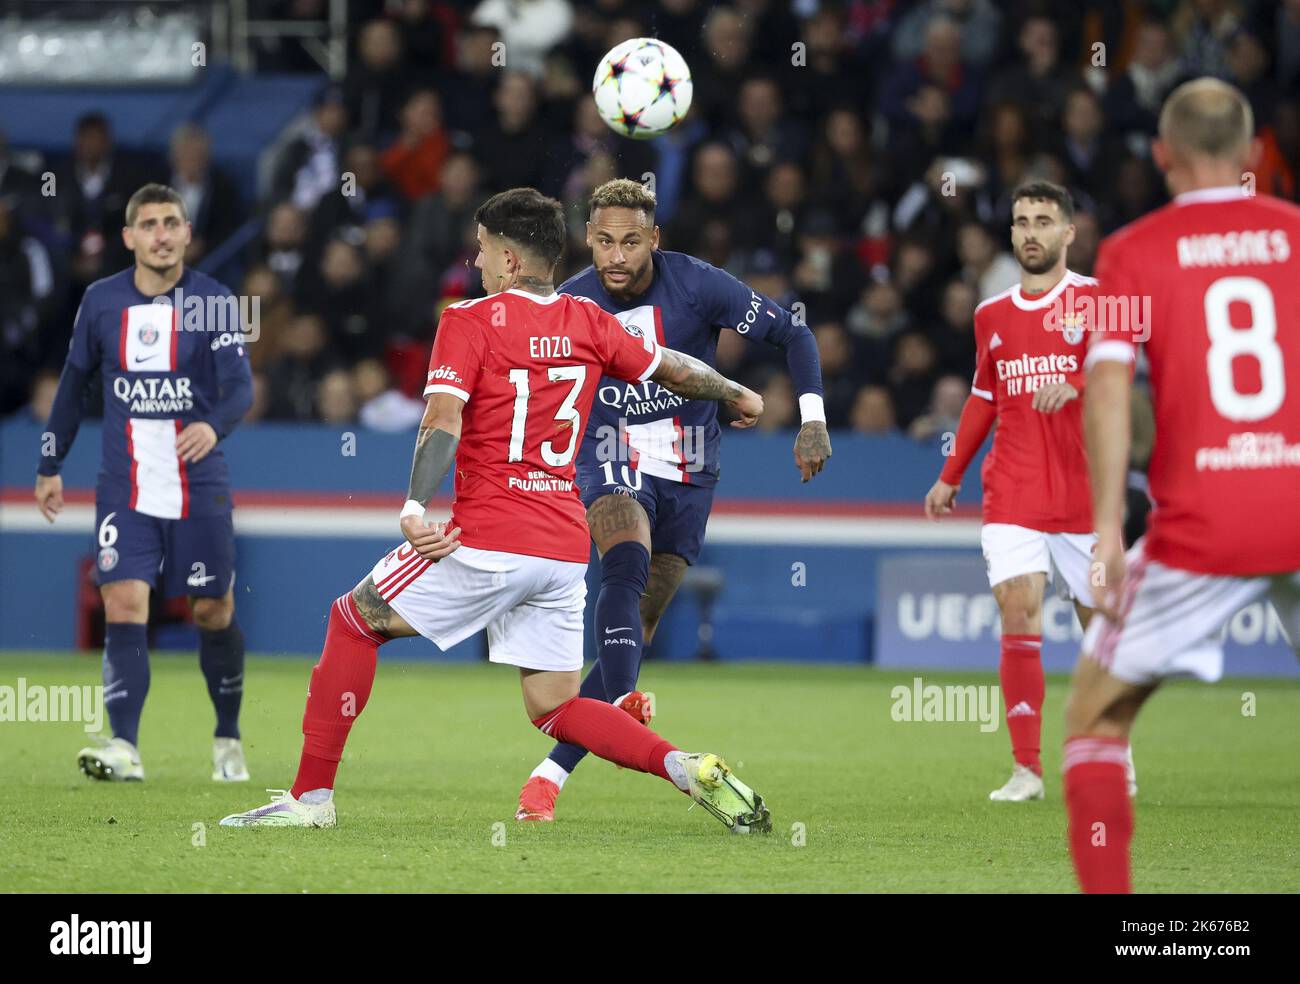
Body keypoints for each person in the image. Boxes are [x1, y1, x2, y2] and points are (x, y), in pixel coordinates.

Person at [220, 188, 772, 833]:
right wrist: (735, 390)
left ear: (509, 260)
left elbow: (443, 418)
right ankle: (682, 766)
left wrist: (414, 505)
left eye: (482, 250)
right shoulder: (592, 322)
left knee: (352, 621)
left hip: (484, 535)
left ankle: (309, 801)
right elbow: (672, 368)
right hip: (563, 548)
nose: (475, 262)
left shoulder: (469, 320)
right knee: (555, 706)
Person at [516, 177, 830, 822]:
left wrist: (813, 418)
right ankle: (604, 730)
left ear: (654, 240)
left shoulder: (697, 284)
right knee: (625, 564)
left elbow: (794, 335)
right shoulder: (571, 302)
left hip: (689, 462)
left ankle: (549, 771)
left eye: (631, 242)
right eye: (603, 241)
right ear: (588, 241)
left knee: (640, 625)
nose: (616, 256)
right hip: (610, 451)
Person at [1065, 78, 1300, 893]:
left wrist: (1105, 529)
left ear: (1161, 154)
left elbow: (1105, 391)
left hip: (1211, 521)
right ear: (1252, 153)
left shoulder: (1132, 252)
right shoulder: (1297, 236)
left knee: (1095, 715)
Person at [35, 183, 254, 783]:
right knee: (124, 601)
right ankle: (124, 746)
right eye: (149, 224)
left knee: (213, 609)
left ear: (187, 233)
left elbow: (241, 387)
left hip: (198, 487)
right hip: (125, 488)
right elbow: (75, 383)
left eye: (172, 222)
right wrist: (49, 464)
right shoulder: (101, 302)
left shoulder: (212, 302)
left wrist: (213, 426)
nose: (161, 233)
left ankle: (228, 736)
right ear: (129, 237)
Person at [925, 181, 1135, 802]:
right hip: (1012, 491)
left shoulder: (1103, 300)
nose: (1031, 232)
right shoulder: (990, 313)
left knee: (1100, 630)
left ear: (1069, 232)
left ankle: (1112, 752)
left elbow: (1137, 367)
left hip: (1085, 496)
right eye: (1021, 222)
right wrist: (950, 474)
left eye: (1044, 221)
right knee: (1018, 613)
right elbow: (984, 397)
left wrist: (1077, 378)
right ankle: (1027, 770)